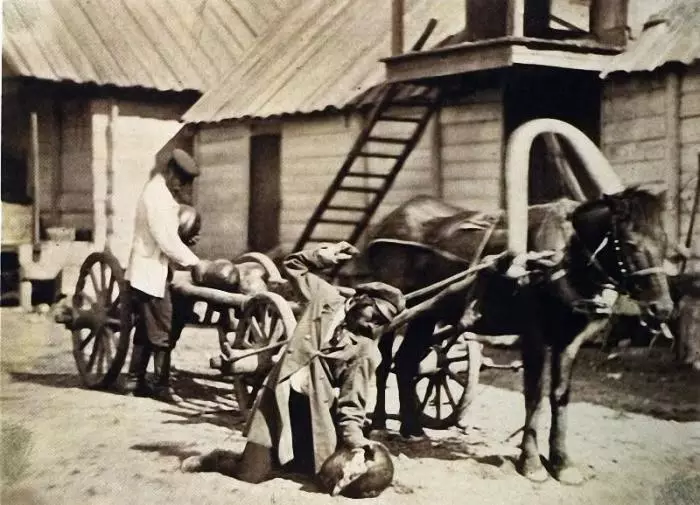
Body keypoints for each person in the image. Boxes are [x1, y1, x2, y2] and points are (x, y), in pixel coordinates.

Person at [182, 241, 405, 486]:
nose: (372, 327)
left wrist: (356, 440)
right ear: (362, 300)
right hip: (277, 397)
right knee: (251, 474)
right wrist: (322, 256)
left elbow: (352, 405)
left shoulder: (365, 350)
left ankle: (290, 455)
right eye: (375, 316)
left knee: (321, 476)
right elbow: (293, 265)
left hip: (315, 412)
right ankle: (214, 459)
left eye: (381, 324)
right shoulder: (325, 298)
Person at [124, 148, 204, 403]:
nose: (181, 187)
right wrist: (193, 262)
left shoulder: (161, 193)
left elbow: (169, 236)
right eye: (179, 180)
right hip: (149, 272)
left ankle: (134, 380)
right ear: (170, 172)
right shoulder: (156, 196)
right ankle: (160, 385)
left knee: (147, 327)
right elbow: (165, 239)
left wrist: (185, 240)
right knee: (163, 327)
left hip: (153, 269)